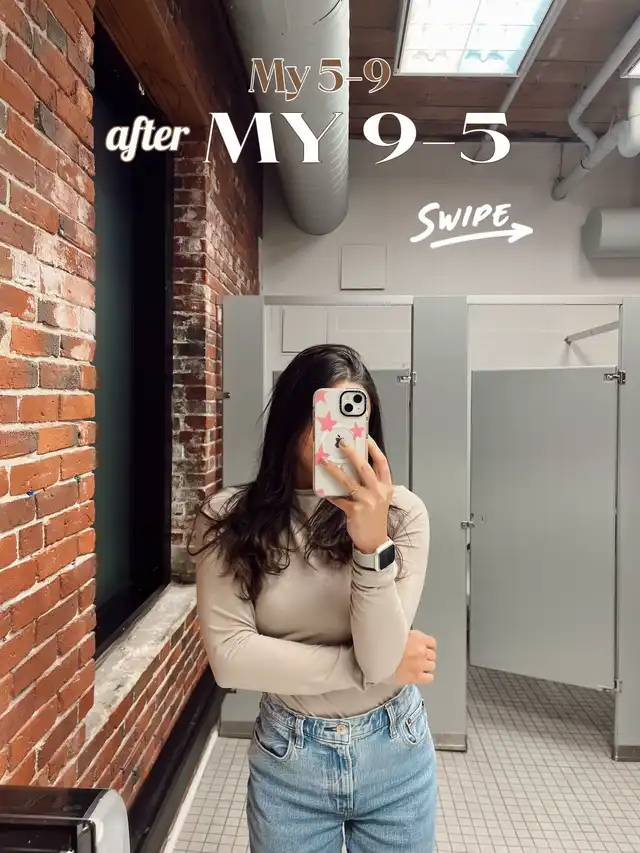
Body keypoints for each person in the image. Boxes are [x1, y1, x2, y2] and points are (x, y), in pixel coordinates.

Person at [192, 344, 438, 853]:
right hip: (290, 757)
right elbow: (232, 660)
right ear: (291, 417)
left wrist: (371, 545)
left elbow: (380, 657)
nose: (340, 434)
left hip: (396, 751)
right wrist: (368, 668)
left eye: (355, 416)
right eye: (326, 414)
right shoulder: (228, 519)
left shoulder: (402, 515)